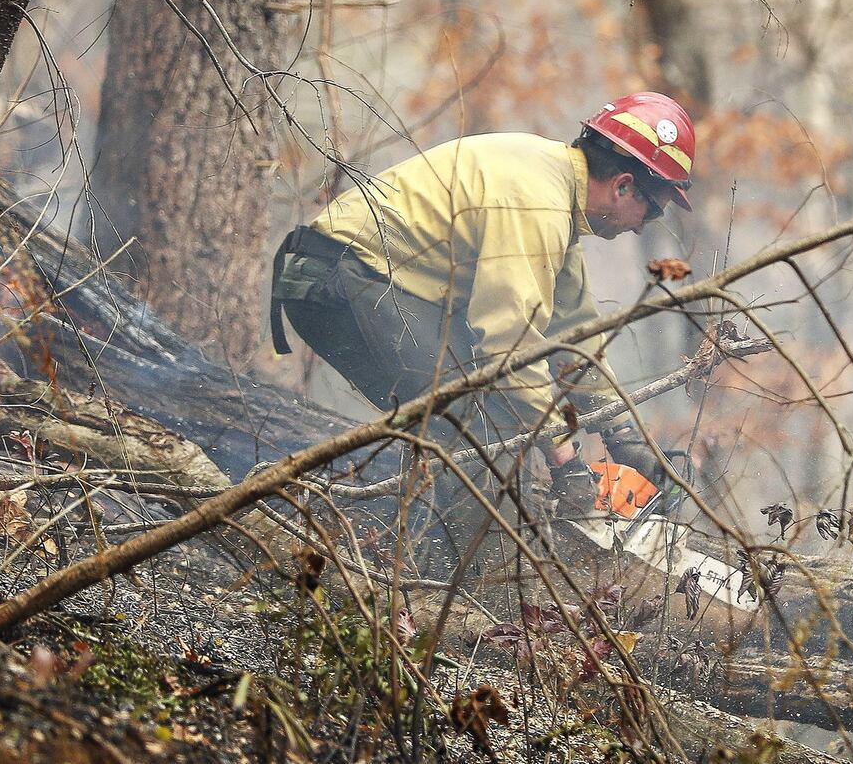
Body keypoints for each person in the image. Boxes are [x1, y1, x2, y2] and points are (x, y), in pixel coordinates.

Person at [270, 93, 697, 557]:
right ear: (623, 185)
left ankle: (418, 556)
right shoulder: (535, 203)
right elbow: (511, 344)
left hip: (371, 279)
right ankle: (467, 592)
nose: (642, 227)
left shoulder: (553, 193)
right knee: (478, 435)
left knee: (486, 425)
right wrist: (565, 458)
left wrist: (625, 436)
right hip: (337, 277)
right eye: (652, 210)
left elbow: (571, 332)